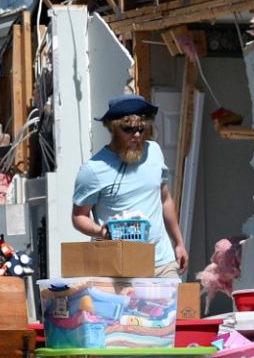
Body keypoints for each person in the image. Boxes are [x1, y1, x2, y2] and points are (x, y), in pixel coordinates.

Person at [70, 95, 188, 277]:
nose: (137, 135)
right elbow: (79, 216)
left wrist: (179, 242)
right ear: (113, 127)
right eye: (129, 129)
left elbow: (165, 199)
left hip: (163, 262)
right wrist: (100, 231)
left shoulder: (154, 152)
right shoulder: (93, 170)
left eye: (141, 129)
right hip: (121, 269)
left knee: (172, 306)